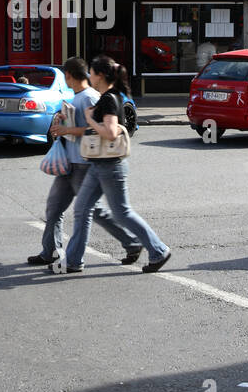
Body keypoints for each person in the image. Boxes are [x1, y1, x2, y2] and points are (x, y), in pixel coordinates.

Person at [59, 56, 171, 274]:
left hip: (110, 166)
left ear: (100, 76)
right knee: (82, 208)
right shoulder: (106, 97)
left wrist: (90, 119)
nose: (89, 77)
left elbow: (110, 133)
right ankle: (73, 261)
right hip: (98, 165)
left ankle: (158, 250)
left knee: (122, 212)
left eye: (91, 73)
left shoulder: (110, 99)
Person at [28, 58, 143, 266]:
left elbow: (96, 130)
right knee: (54, 208)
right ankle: (51, 251)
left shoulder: (90, 97)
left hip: (83, 163)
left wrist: (67, 130)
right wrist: (60, 121)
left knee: (94, 212)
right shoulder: (76, 97)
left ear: (69, 75)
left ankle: (131, 242)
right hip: (68, 163)